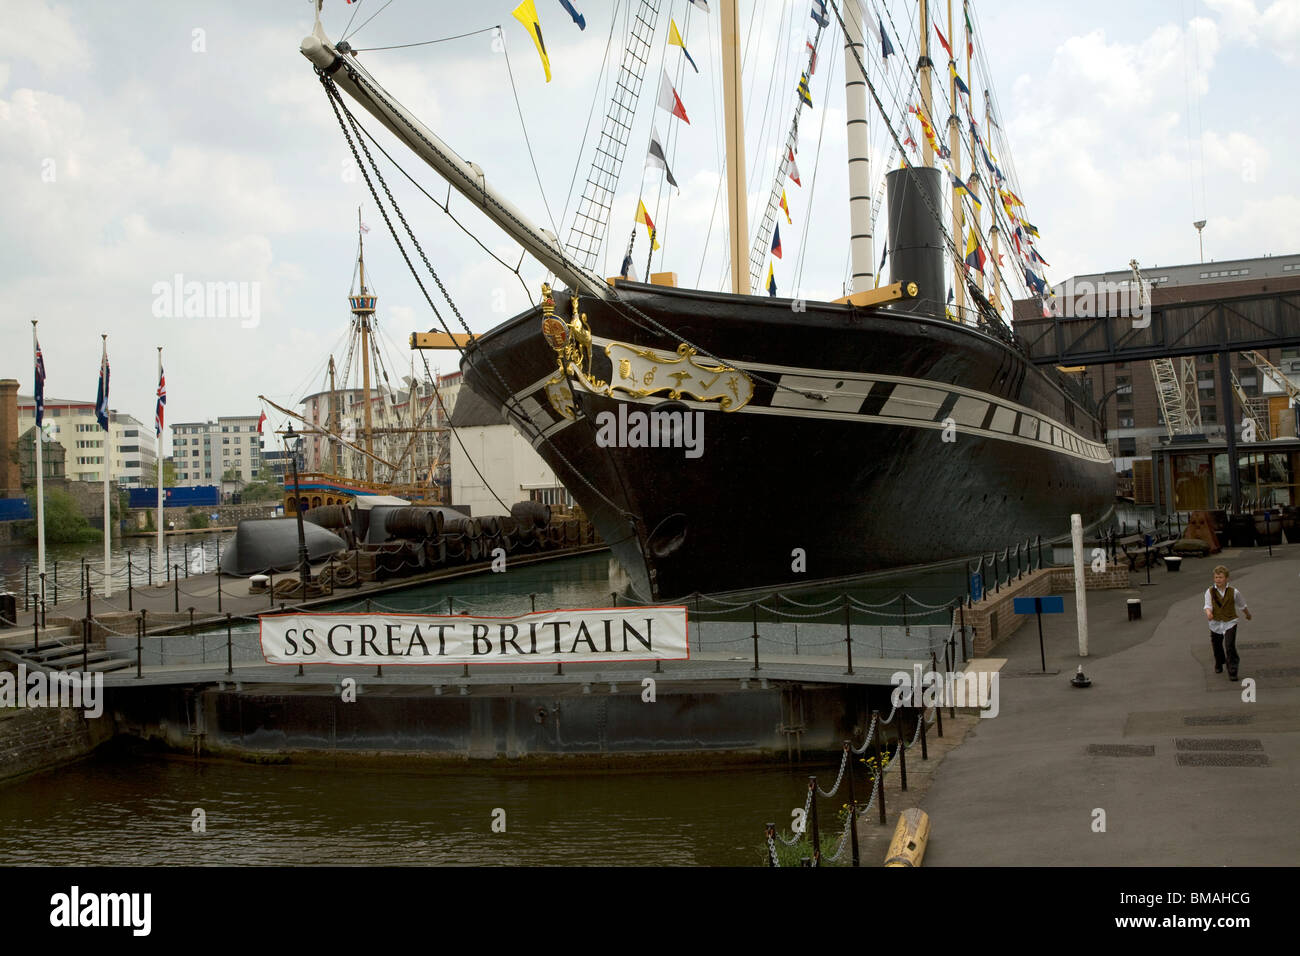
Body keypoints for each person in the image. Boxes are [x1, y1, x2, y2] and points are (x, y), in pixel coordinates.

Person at [1203, 565, 1252, 680]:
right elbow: (1207, 605)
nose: (1218, 580)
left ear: (1226, 578)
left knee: (1229, 645)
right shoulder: (1210, 591)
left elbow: (1242, 605)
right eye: (1216, 577)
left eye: (1220, 577)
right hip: (1215, 623)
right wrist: (1209, 613)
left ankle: (1233, 670)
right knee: (1217, 645)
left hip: (1230, 621)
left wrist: (1247, 614)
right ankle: (1219, 662)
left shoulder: (1234, 592)